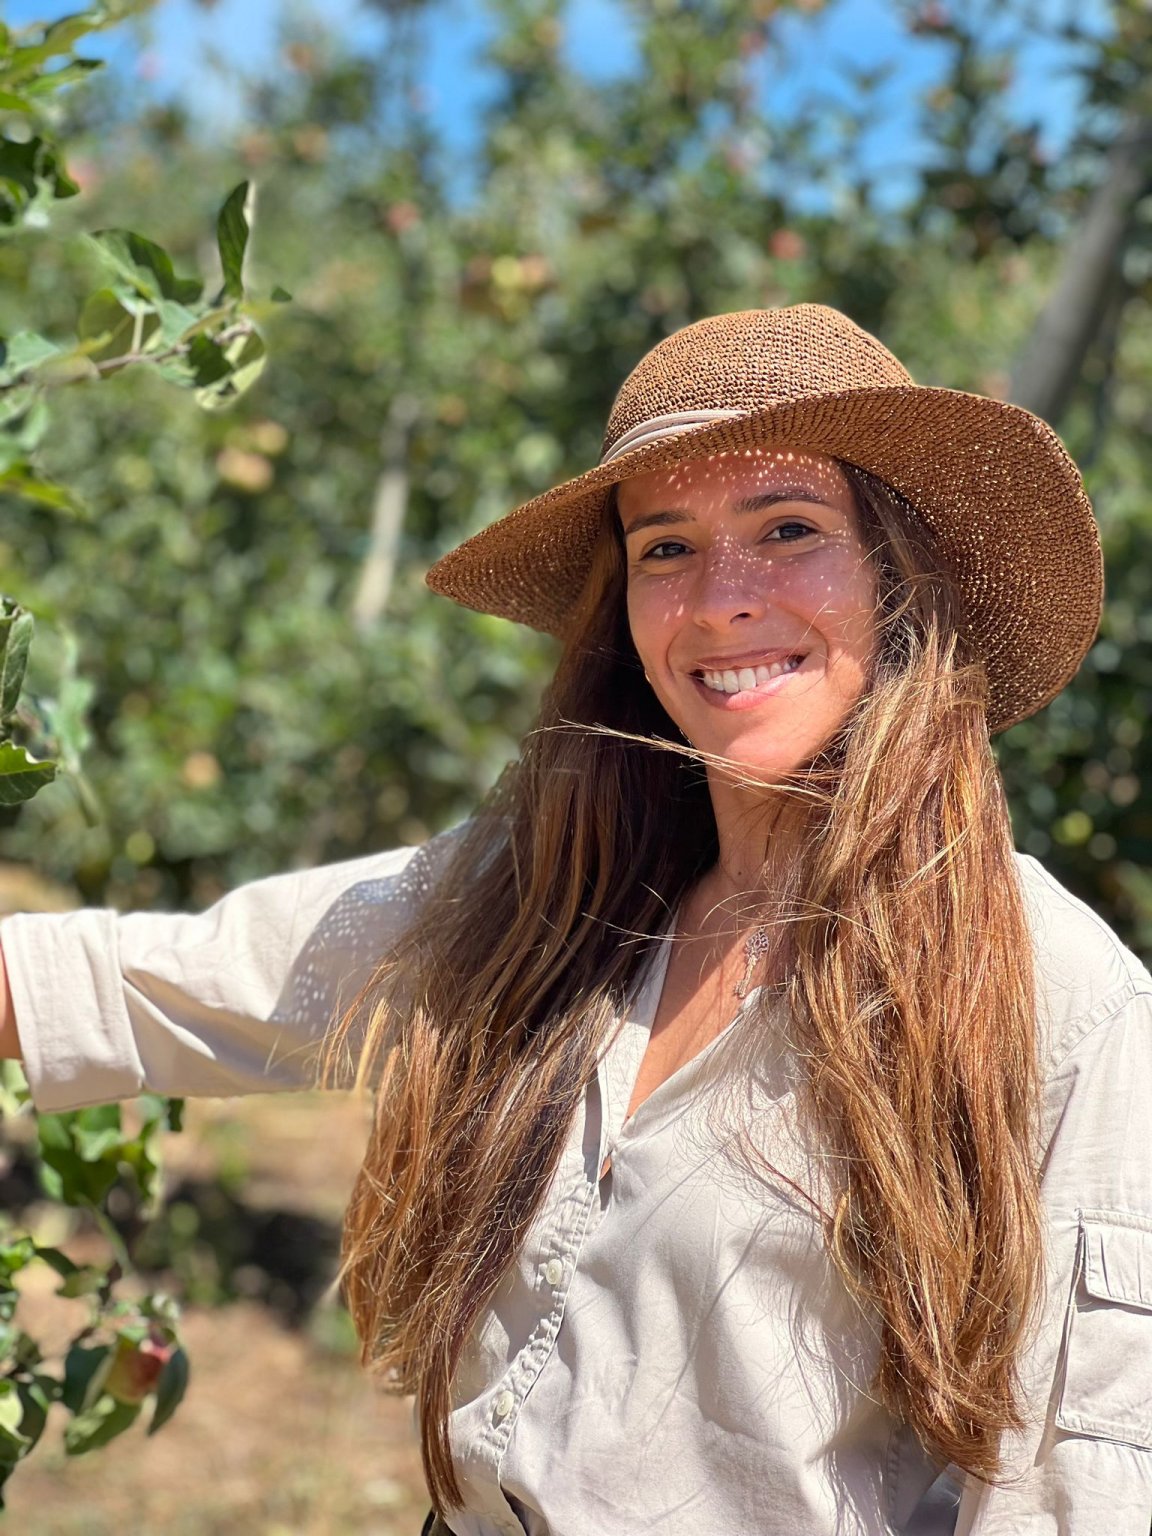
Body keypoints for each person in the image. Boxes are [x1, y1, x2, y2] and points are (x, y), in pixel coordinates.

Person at [1, 302, 1149, 1536]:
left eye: (789, 528)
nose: (721, 598)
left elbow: (1072, 1496)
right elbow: (152, 985)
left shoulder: (1051, 995)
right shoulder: (548, 893)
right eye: (666, 547)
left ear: (896, 575)